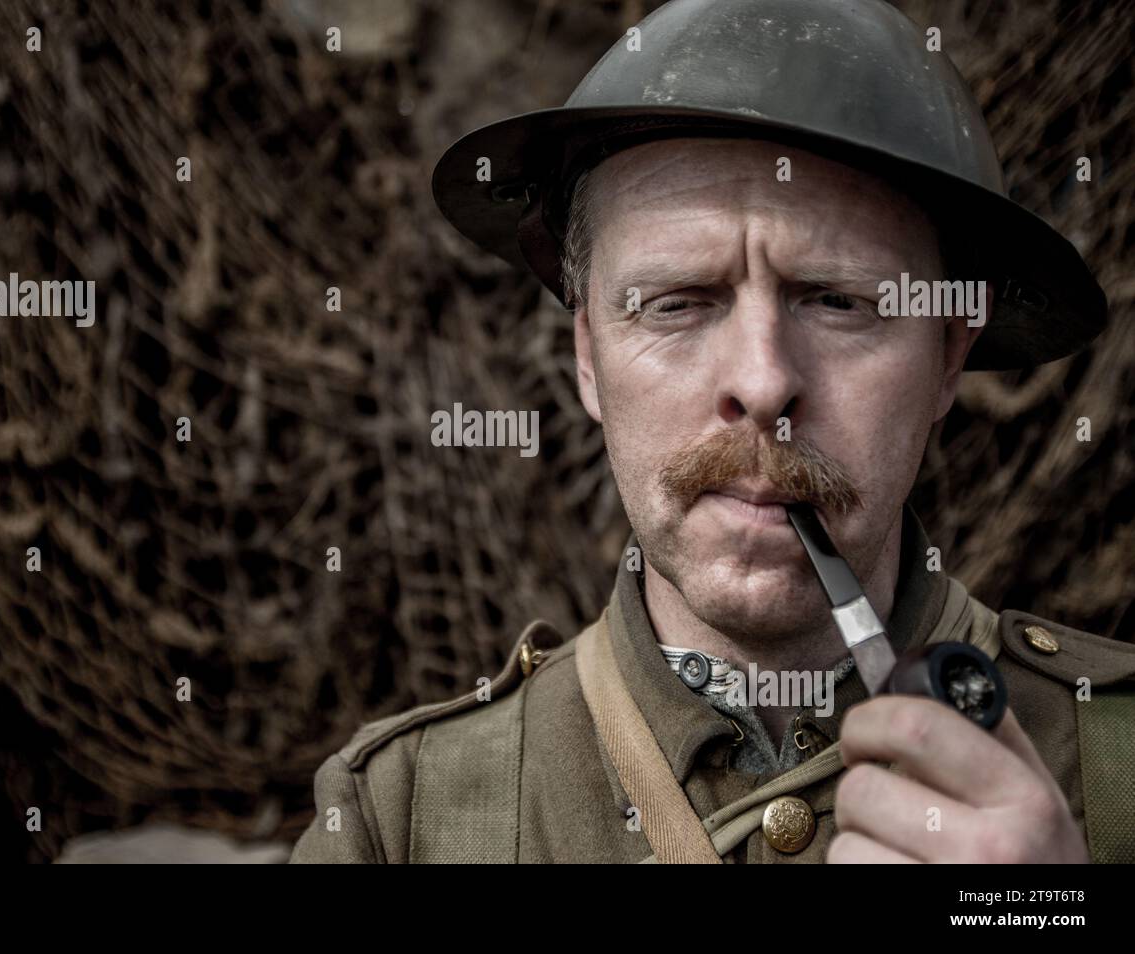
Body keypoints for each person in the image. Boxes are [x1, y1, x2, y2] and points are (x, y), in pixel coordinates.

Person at [290, 0, 1129, 863]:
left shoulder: (1121, 763)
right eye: (678, 303)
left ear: (949, 356)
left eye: (840, 301)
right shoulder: (400, 819)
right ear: (588, 356)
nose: (763, 383)